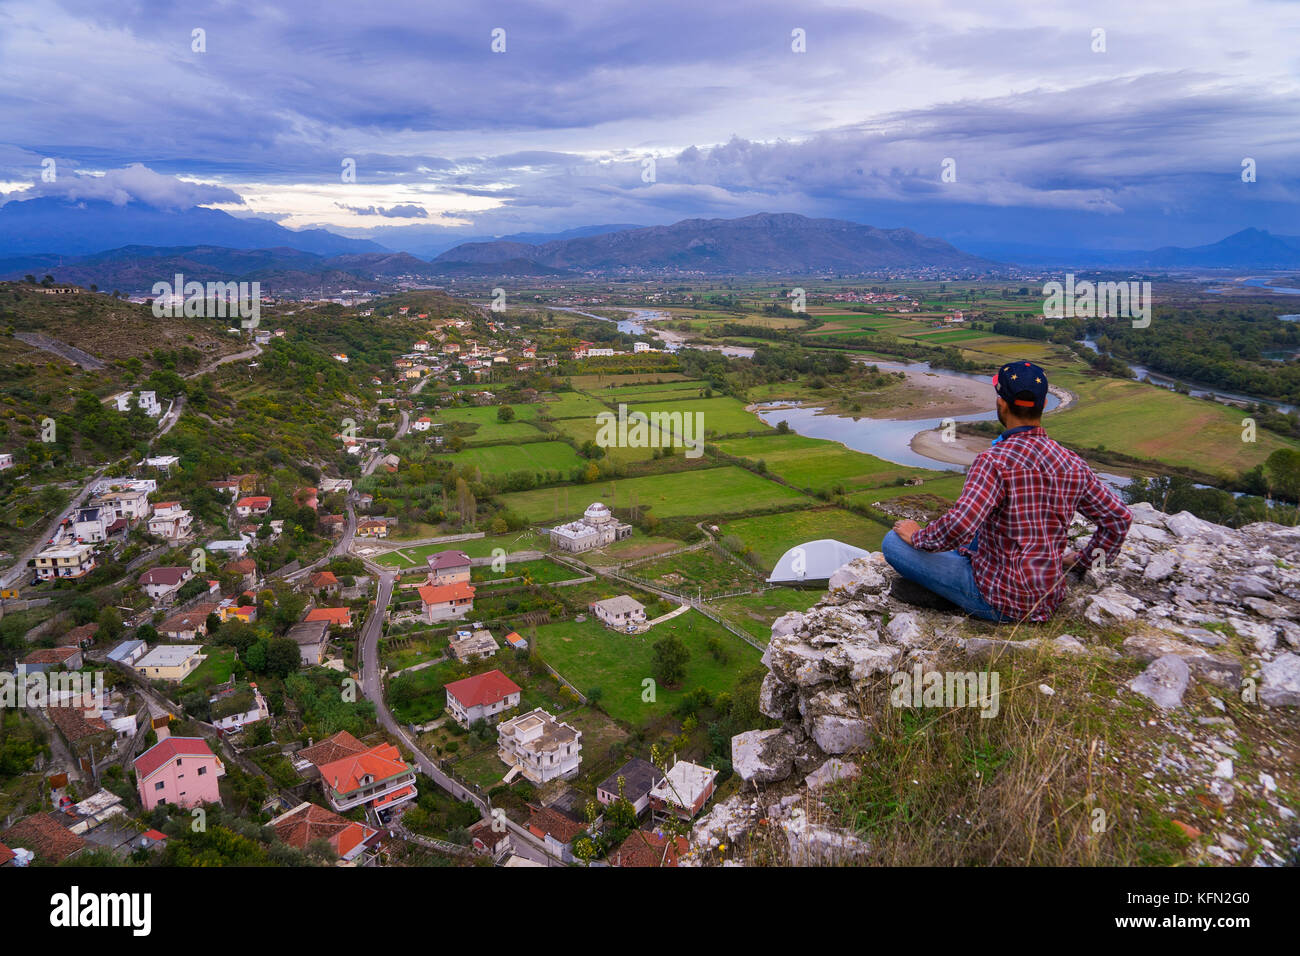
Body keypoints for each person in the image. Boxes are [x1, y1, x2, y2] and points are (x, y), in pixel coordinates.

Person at [882, 361, 1132, 623]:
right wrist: (1083, 561)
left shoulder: (994, 461)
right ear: (1044, 405)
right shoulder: (1071, 462)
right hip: (1047, 595)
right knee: (982, 531)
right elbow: (1119, 519)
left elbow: (960, 524)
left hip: (1000, 600)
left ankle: (953, 598)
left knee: (892, 542)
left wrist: (919, 537)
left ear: (1001, 403)